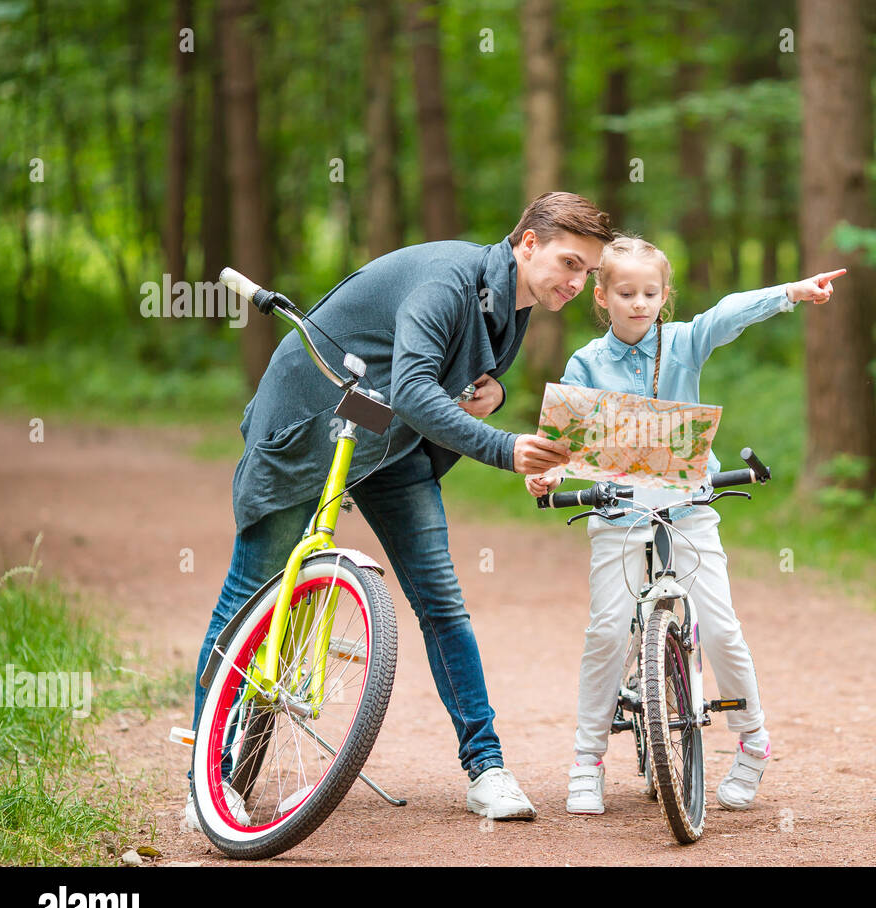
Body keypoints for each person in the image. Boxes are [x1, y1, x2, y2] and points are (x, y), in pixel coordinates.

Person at [188, 192, 611, 829]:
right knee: (250, 597)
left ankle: (486, 767)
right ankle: (209, 784)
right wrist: (504, 446)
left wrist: (488, 392)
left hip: (387, 433)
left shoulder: (513, 301)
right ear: (528, 243)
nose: (577, 283)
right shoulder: (448, 281)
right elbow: (414, 385)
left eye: (589, 273)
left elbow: (439, 382)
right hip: (311, 422)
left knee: (440, 598)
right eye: (569, 263)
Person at [526, 235, 845, 814]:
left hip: (688, 507)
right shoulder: (586, 363)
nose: (639, 303)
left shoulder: (681, 344)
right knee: (605, 632)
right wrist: (546, 475)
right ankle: (587, 759)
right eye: (626, 293)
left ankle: (753, 741)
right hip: (618, 511)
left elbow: (725, 314)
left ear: (664, 296)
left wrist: (791, 293)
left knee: (721, 630)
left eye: (650, 292)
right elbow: (563, 439)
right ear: (602, 297)